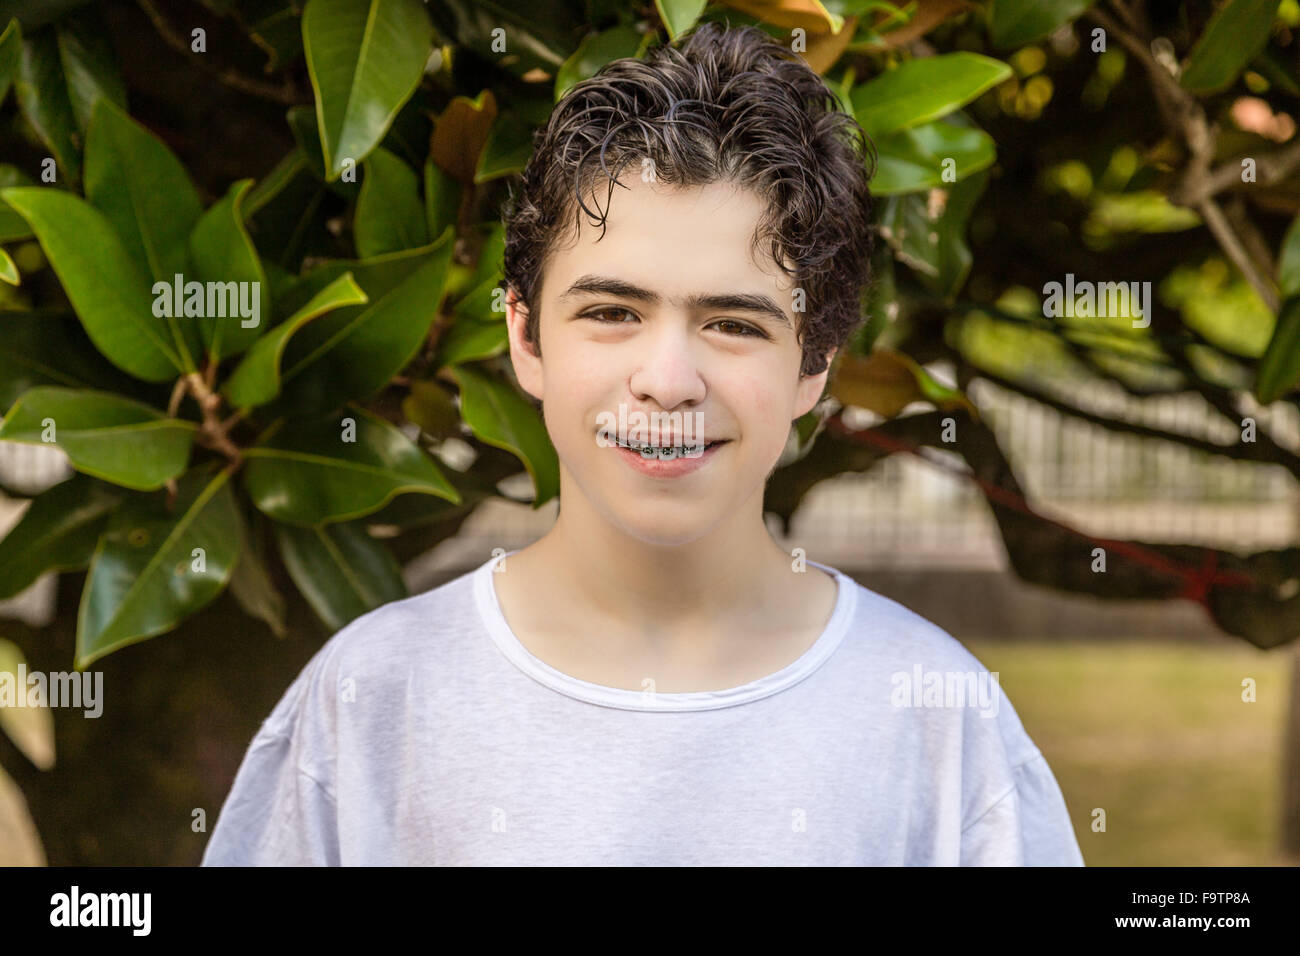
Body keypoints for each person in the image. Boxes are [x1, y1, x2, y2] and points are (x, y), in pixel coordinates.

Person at [202, 20, 1084, 866]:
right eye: (612, 312)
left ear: (815, 364)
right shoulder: (371, 699)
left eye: (734, 323)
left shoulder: (935, 716)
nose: (668, 378)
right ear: (524, 337)